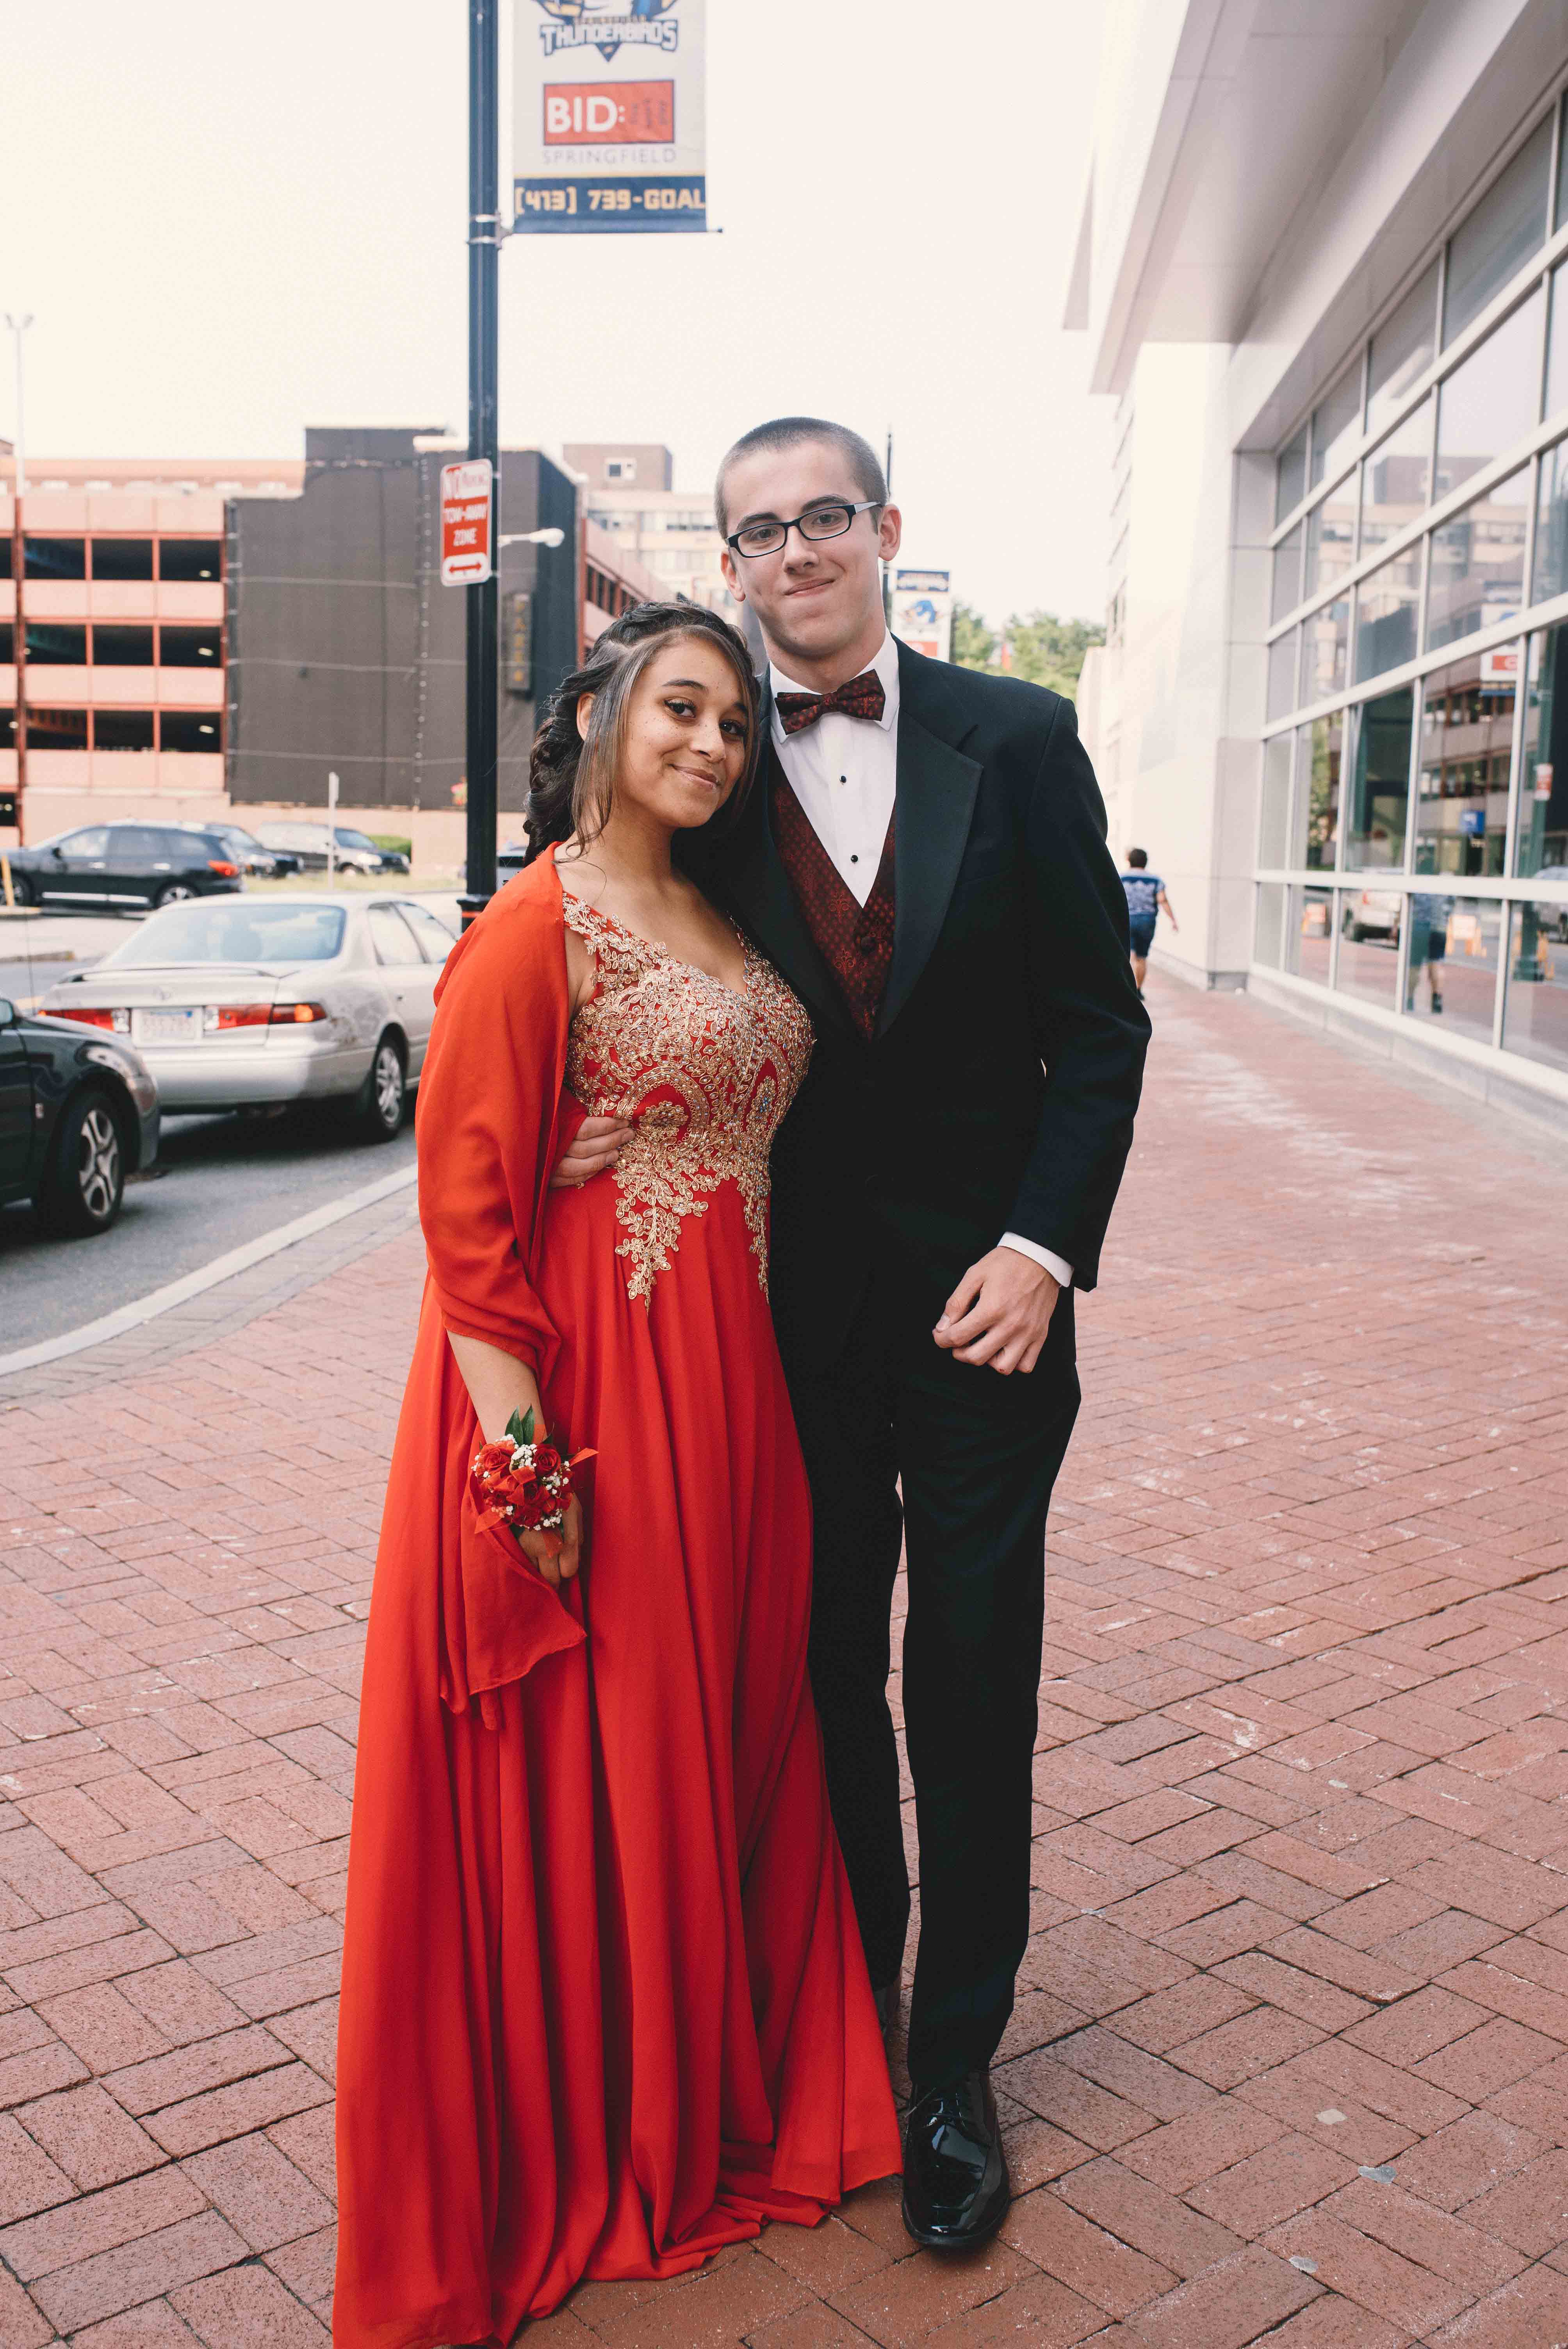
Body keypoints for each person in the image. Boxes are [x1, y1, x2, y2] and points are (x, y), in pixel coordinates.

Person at [554, 418, 1149, 2254]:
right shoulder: (704, 765)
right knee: (816, 1681)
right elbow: (590, 925)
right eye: (757, 530)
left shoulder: (1019, 739)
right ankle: (837, 2030)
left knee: (970, 1675)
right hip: (773, 1323)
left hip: (984, 1316)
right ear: (726, 564)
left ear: (883, 529)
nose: (793, 551)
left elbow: (1096, 1031)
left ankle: (949, 2061)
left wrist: (1043, 1246)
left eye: (822, 515)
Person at [333, 603, 900, 2349]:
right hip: (589, 1399)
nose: (713, 742)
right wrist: (526, 1476)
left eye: (734, 720)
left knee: (731, 1731)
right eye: (681, 706)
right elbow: (467, 1229)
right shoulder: (528, 927)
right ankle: (606, 2133)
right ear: (600, 716)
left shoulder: (724, 918)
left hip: (731, 1401)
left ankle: (716, 2080)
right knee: (608, 1753)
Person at [1119, 847, 1176, 992]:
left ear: (1129, 861)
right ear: (1146, 862)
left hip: (1127, 919)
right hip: (1147, 921)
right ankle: (1138, 989)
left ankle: (1127, 989)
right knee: (1142, 957)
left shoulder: (1121, 878)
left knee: (1127, 955)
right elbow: (1162, 900)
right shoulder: (1155, 880)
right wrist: (1173, 920)